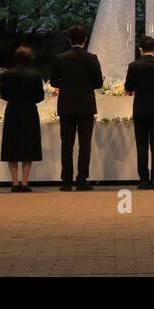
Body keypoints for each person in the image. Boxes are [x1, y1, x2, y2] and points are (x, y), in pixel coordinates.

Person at [51, 25, 103, 192]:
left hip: (66, 105)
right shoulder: (92, 58)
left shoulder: (60, 58)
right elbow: (98, 83)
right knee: (84, 144)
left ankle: (66, 181)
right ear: (85, 40)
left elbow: (53, 82)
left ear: (69, 39)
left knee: (66, 144)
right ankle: (82, 180)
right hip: (86, 105)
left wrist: (65, 85)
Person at [124, 36, 154, 189]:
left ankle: (144, 180)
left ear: (140, 49)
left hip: (140, 110)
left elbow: (129, 87)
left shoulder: (134, 66)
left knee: (142, 145)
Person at [0, 46, 44, 192]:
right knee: (28, 147)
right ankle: (24, 182)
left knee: (11, 147)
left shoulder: (7, 74)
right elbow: (40, 97)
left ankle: (14, 182)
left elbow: (3, 95)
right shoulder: (35, 75)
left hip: (12, 111)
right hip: (29, 111)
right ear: (29, 58)